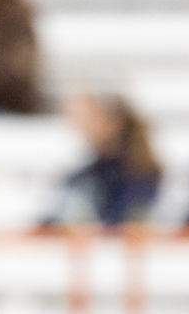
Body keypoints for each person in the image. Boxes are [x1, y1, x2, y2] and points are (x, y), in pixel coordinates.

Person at [41, 93, 162, 226]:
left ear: (113, 122)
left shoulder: (140, 174)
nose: (82, 127)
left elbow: (129, 220)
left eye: (90, 118)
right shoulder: (87, 174)